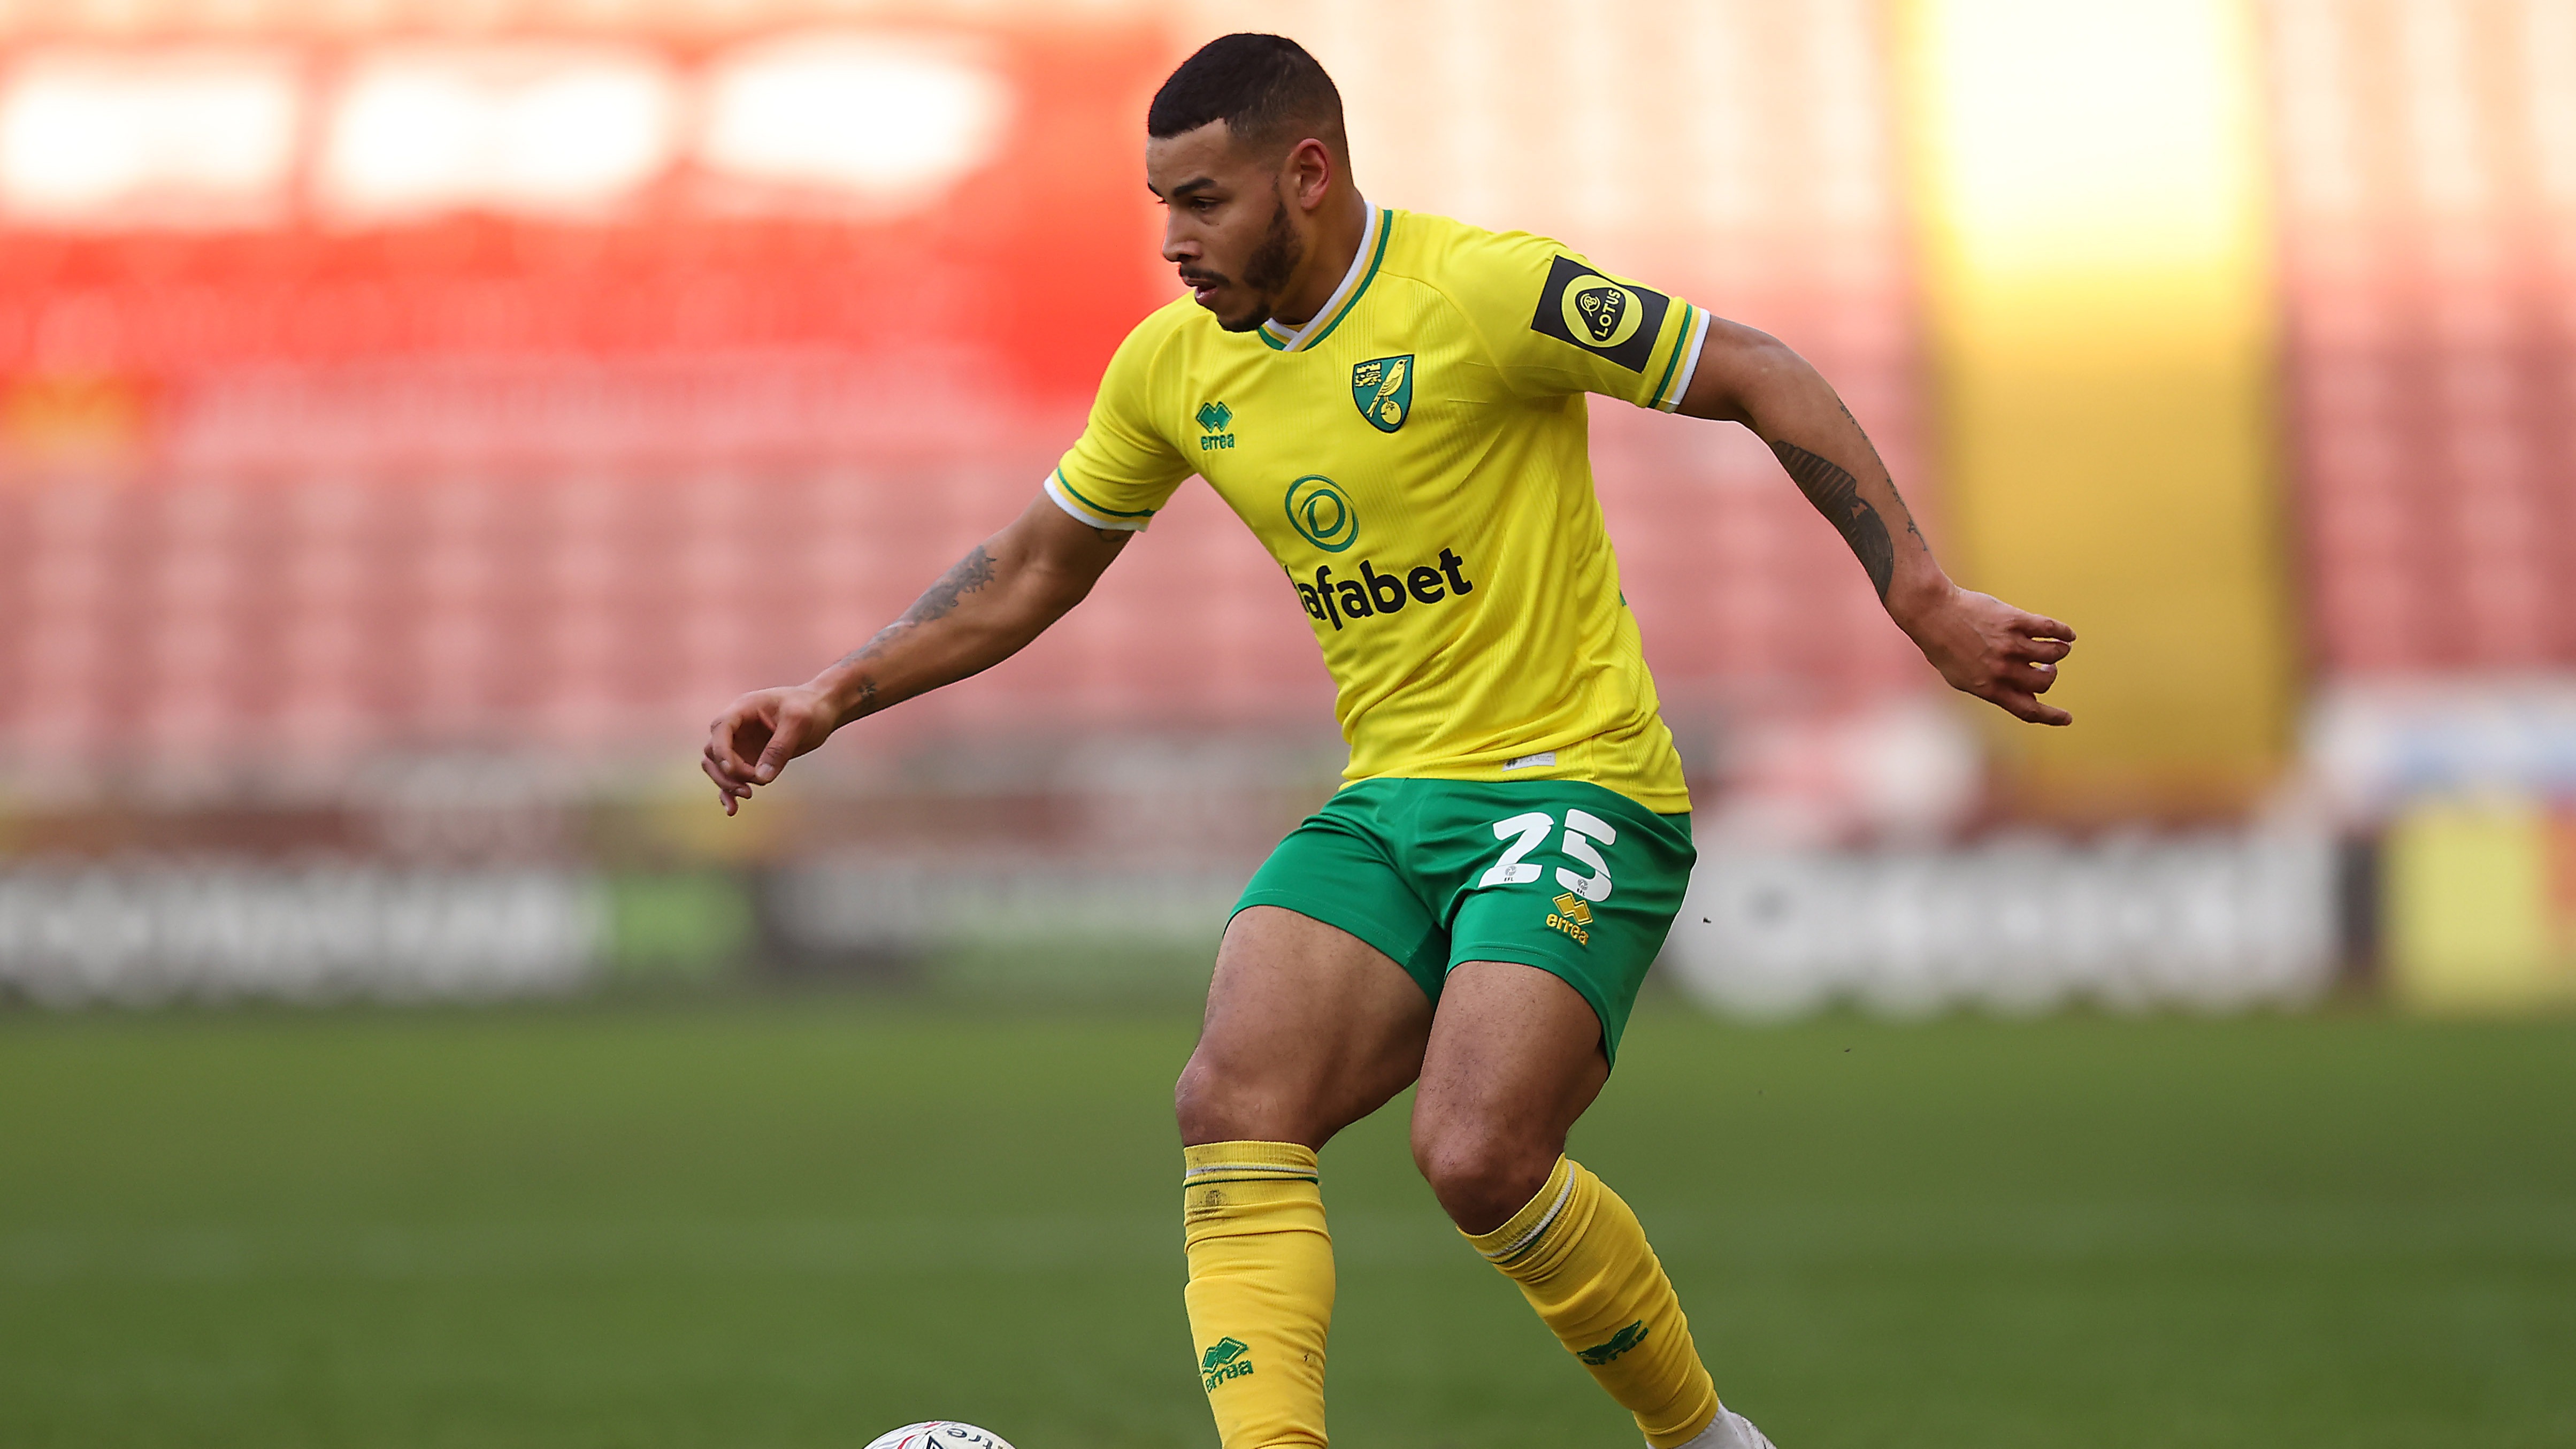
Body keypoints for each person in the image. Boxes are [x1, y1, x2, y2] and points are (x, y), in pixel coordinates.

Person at [703, 32, 2074, 1449]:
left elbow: (1756, 369)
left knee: (1477, 1154)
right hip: (1392, 802)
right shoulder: (1175, 368)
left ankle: (1708, 1444)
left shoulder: (1483, 292)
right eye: (1161, 205)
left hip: (1574, 783)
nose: (1174, 241)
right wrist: (830, 693)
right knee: (1231, 1098)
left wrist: (1918, 590)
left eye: (1204, 201)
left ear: (1307, 175)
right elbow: (1039, 565)